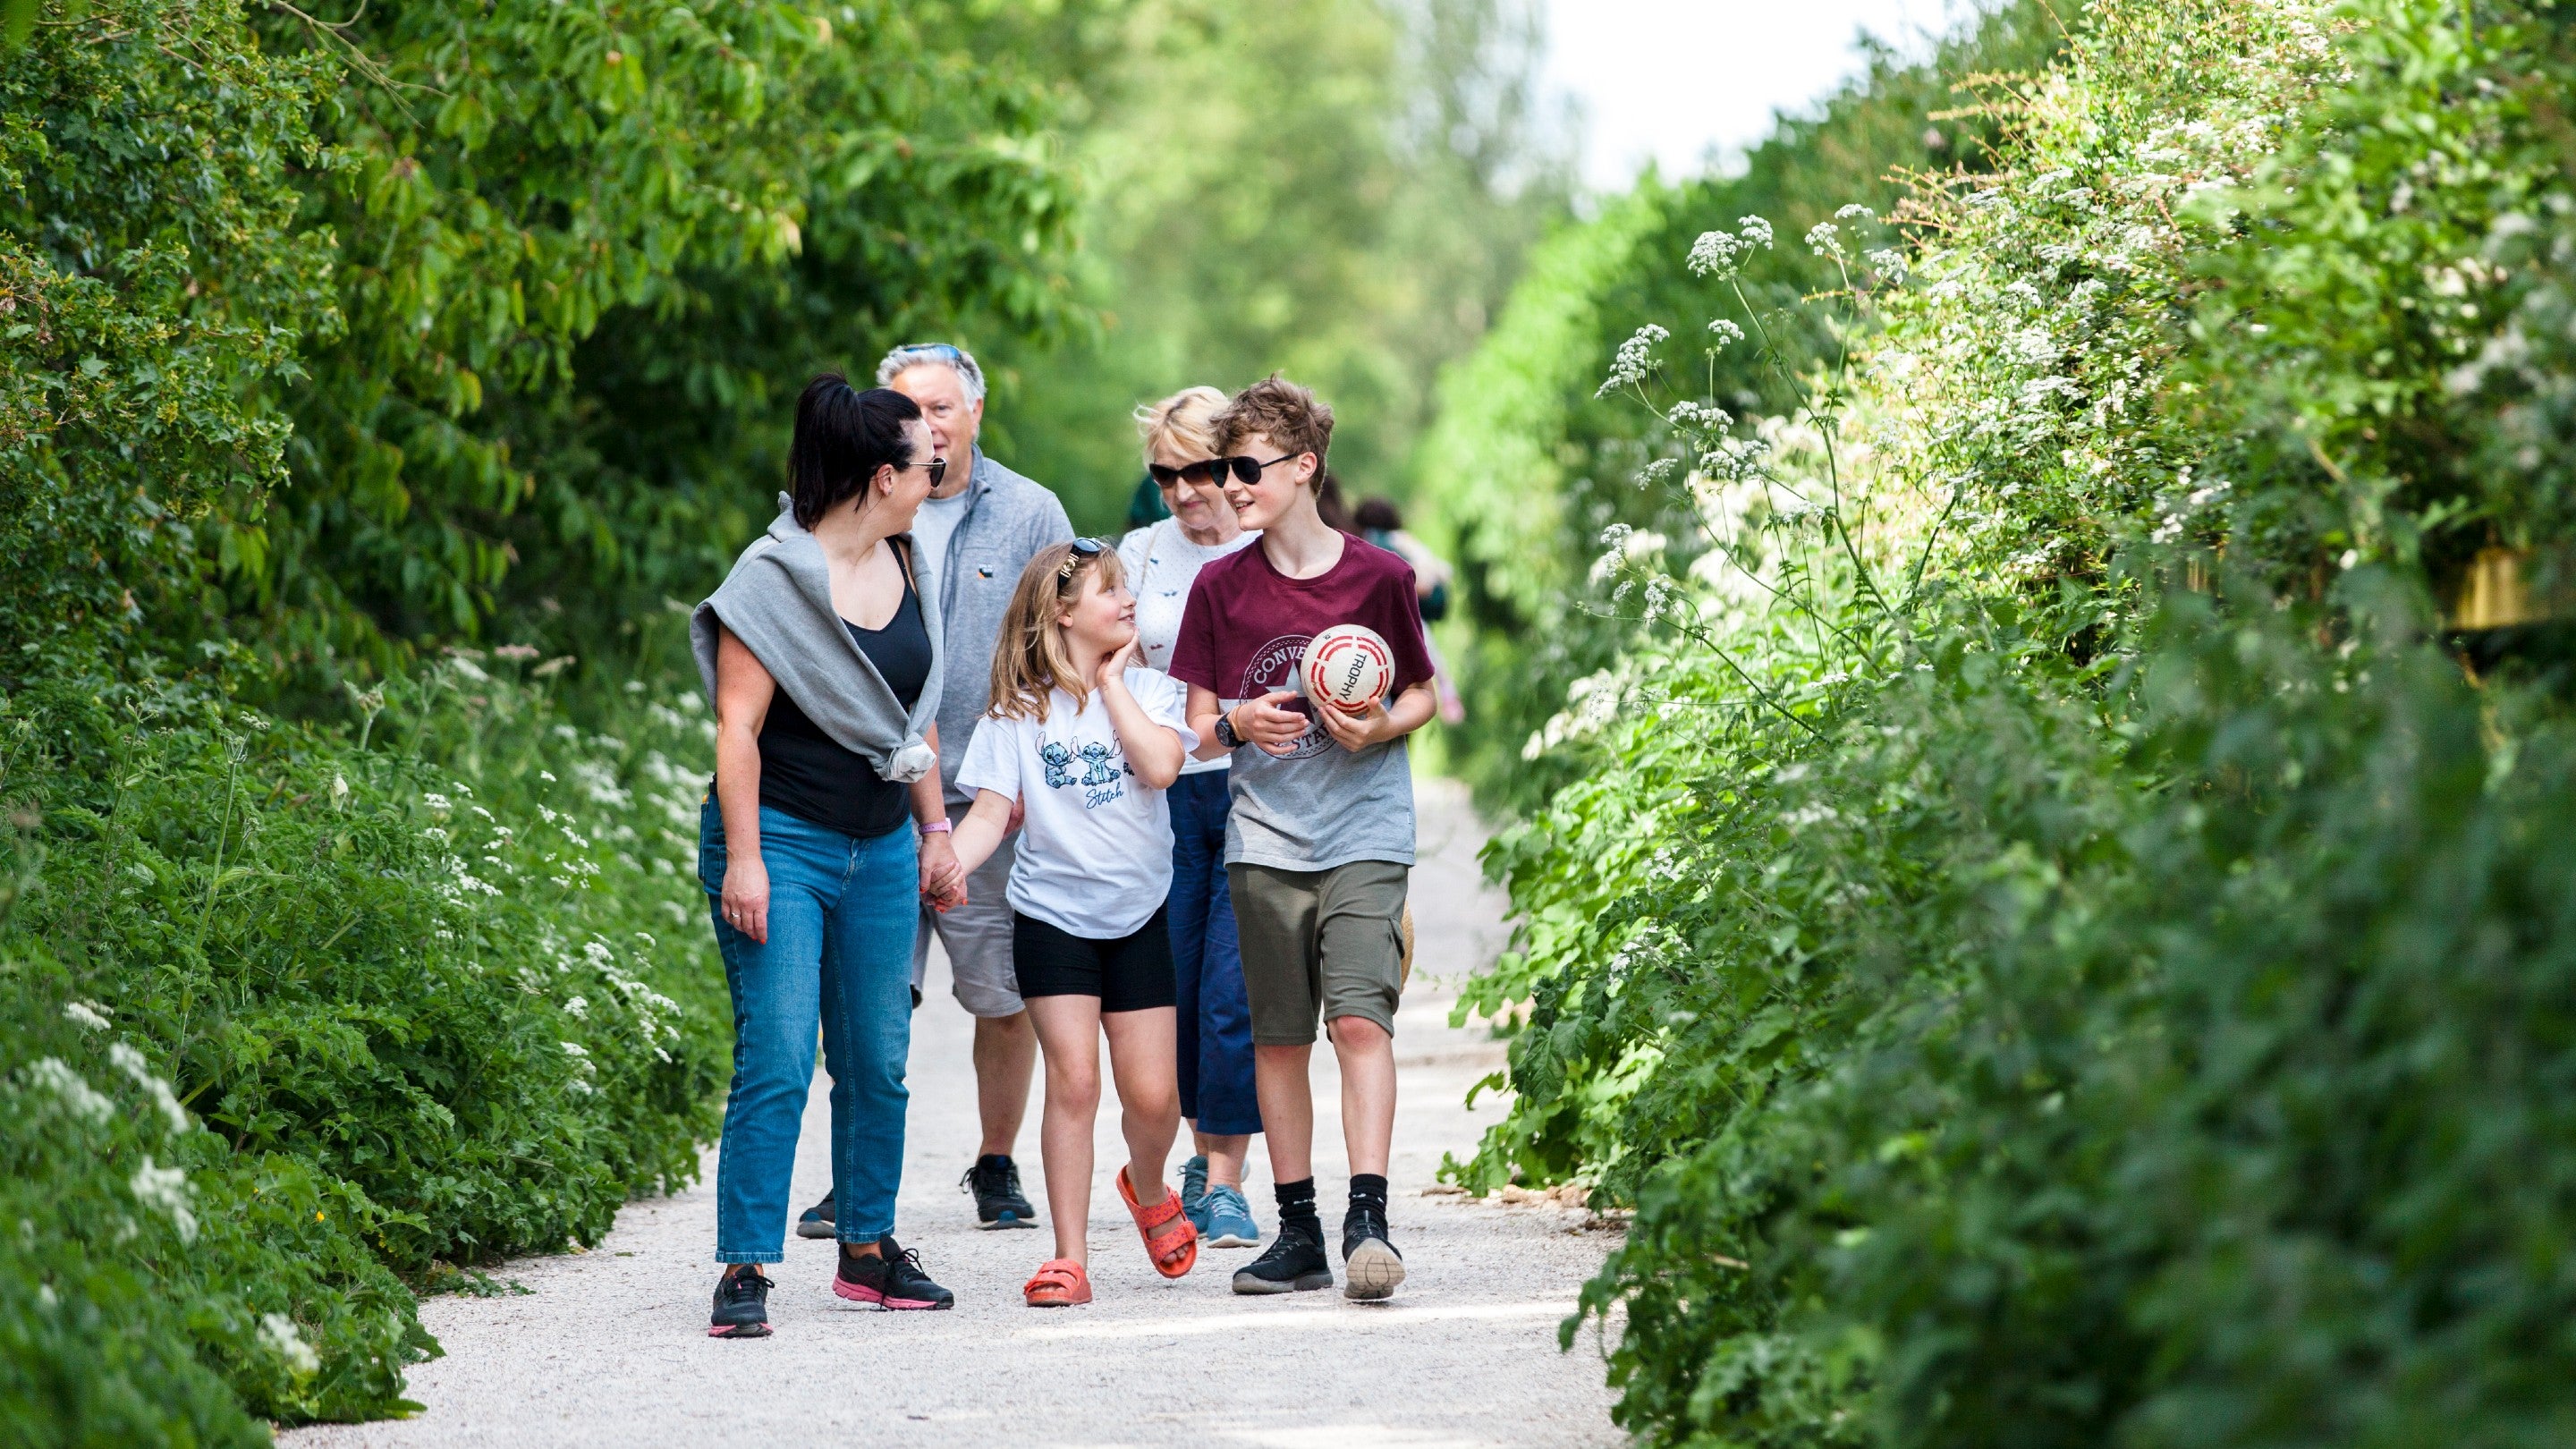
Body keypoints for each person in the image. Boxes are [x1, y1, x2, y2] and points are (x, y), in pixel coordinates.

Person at [690, 377, 962, 1337]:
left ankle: (867, 1249)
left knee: (877, 1060)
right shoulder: (770, 582)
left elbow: (906, 724)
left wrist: (935, 832)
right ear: (883, 475)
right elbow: (737, 732)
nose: (941, 466)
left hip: (882, 842)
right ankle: (745, 1265)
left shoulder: (910, 556)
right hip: (783, 843)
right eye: (928, 458)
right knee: (776, 1057)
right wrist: (747, 862)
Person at [795, 342, 1075, 1242]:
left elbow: (1063, 644)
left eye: (942, 408)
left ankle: (996, 1162)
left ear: (976, 414)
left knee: (1002, 994)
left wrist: (1039, 766)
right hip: (871, 792)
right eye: (908, 409)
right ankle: (857, 1174)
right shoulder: (852, 503)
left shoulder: (1032, 513)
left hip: (990, 798)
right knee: (873, 1000)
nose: (927, 425)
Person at [1167, 377, 1439, 1301]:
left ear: (1304, 468)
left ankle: (1371, 1220)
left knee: (1360, 1018)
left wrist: (1378, 728)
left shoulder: (1380, 577)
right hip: (1265, 842)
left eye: (1245, 469)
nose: (1228, 487)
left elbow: (1423, 693)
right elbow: (1194, 733)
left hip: (1365, 829)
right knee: (1277, 1040)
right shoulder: (1219, 587)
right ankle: (1298, 1232)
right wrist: (1241, 722)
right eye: (1219, 469)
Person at [942, 540, 1203, 1307]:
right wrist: (951, 862)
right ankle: (1070, 1259)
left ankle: (1148, 1186)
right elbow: (990, 814)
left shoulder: (1153, 692)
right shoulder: (1016, 712)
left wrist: (1114, 682)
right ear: (1061, 612)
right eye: (1108, 591)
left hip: (1136, 916)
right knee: (1076, 1082)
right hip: (1052, 917)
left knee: (1154, 1098)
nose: (1127, 601)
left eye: (1126, 588)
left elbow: (1160, 768)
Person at [1118, 388, 1264, 1250]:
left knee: (1231, 994)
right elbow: (1106, 658)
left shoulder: (1271, 548)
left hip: (1257, 792)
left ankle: (1224, 1178)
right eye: (1164, 476)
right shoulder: (1141, 553)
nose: (1180, 493)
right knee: (1167, 990)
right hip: (1163, 793)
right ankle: (1166, 1169)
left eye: (1196, 473)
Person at [1352, 496, 1466, 725]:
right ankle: (1448, 693)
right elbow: (1442, 572)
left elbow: (1421, 584)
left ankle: (1447, 693)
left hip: (1390, 622)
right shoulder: (1401, 540)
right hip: (1415, 614)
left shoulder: (1374, 543)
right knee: (1424, 642)